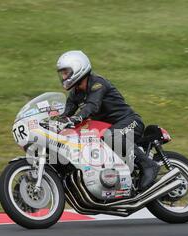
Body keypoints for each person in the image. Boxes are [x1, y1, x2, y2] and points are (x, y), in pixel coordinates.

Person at [56, 50, 160, 191]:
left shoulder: (98, 84)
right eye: (62, 73)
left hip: (130, 121)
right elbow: (65, 115)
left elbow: (92, 106)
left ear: (78, 68)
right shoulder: (75, 93)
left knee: (111, 136)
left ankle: (148, 165)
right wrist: (55, 123)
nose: (63, 76)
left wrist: (77, 118)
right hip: (108, 128)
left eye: (66, 72)